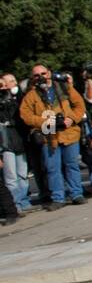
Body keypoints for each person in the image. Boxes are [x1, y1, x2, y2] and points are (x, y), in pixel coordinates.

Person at [20, 65, 87, 209]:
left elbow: (80, 105)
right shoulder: (31, 95)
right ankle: (58, 198)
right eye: (37, 75)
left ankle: (76, 194)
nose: (41, 77)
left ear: (49, 73)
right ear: (33, 78)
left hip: (69, 132)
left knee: (72, 165)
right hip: (48, 135)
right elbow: (25, 115)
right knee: (52, 168)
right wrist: (44, 121)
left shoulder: (65, 88)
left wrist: (72, 118)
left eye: (43, 73)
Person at [1, 73, 33, 214]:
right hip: (6, 142)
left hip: (20, 138)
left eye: (14, 80)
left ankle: (23, 200)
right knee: (11, 176)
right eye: (9, 82)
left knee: (22, 174)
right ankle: (15, 204)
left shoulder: (19, 98)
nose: (14, 83)